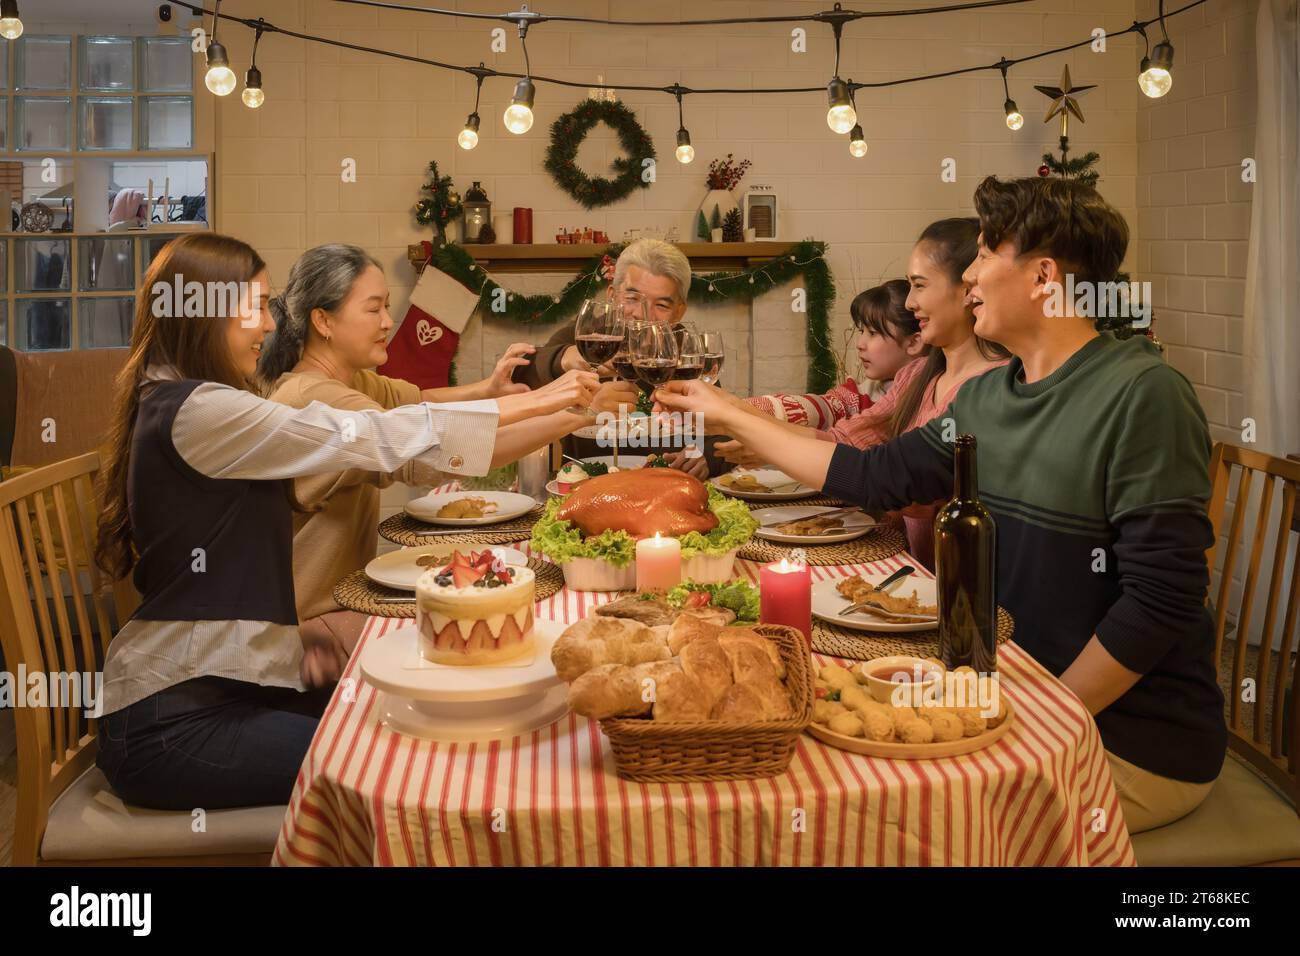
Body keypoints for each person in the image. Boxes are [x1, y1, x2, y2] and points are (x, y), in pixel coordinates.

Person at [657, 177, 1227, 833]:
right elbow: (874, 478)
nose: (972, 277)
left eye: (986, 255)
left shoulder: (1143, 393)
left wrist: (1050, 714)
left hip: (1121, 738)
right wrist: (724, 408)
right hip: (1007, 689)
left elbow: (1162, 600)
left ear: (1043, 275)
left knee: (891, 822)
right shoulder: (989, 401)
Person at [92, 233, 595, 810]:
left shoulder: (187, 400)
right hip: (171, 723)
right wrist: (540, 400)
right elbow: (370, 435)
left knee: (425, 719)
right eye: (253, 307)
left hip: (229, 687)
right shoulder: (199, 409)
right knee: (402, 768)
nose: (267, 327)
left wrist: (286, 642)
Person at [258, 244, 613, 664]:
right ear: (323, 320)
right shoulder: (314, 398)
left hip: (345, 597)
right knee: (476, 644)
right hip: (311, 622)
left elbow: (419, 402)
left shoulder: (348, 380)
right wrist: (568, 411)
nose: (389, 322)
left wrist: (487, 390)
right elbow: (433, 447)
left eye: (388, 307)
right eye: (374, 310)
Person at [717, 228, 1010, 568]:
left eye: (920, 285)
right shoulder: (918, 375)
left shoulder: (990, 387)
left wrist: (743, 424)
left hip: (957, 584)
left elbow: (911, 496)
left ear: (967, 288)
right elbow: (846, 439)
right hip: (908, 566)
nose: (911, 301)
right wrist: (737, 412)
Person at [511, 237, 721, 478]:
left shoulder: (687, 353)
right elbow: (520, 377)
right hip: (589, 483)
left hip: (667, 483)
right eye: (632, 299)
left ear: (678, 312)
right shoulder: (591, 336)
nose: (643, 315)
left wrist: (706, 456)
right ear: (612, 295)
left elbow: (723, 425)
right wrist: (568, 358)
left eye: (661, 305)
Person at [717, 279, 926, 468]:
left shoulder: (917, 392)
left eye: (873, 333)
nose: (860, 344)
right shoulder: (869, 390)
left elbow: (846, 443)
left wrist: (741, 417)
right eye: (861, 331)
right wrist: (745, 408)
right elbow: (825, 407)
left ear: (914, 342)